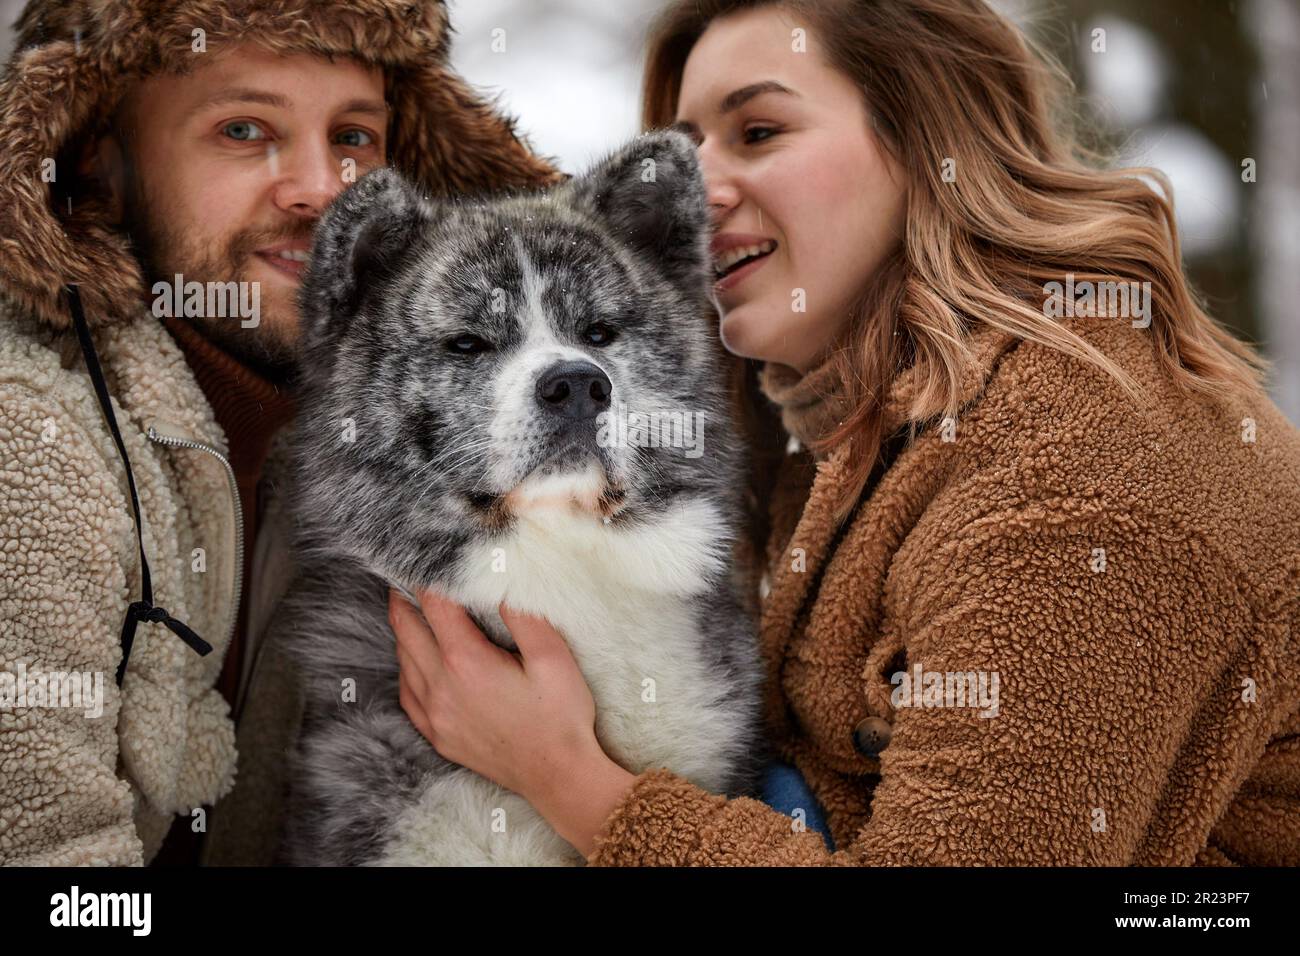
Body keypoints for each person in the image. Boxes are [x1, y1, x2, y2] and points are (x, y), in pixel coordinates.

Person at [390, 0, 1300, 865]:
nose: (694, 193)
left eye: (759, 133)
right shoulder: (846, 441)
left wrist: (568, 780)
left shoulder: (1083, 470)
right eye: (682, 152)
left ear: (925, 142)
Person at [0, 0, 561, 866]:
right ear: (96, 165)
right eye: (242, 128)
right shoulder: (30, 440)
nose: (323, 189)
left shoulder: (371, 451)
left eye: (354, 138)